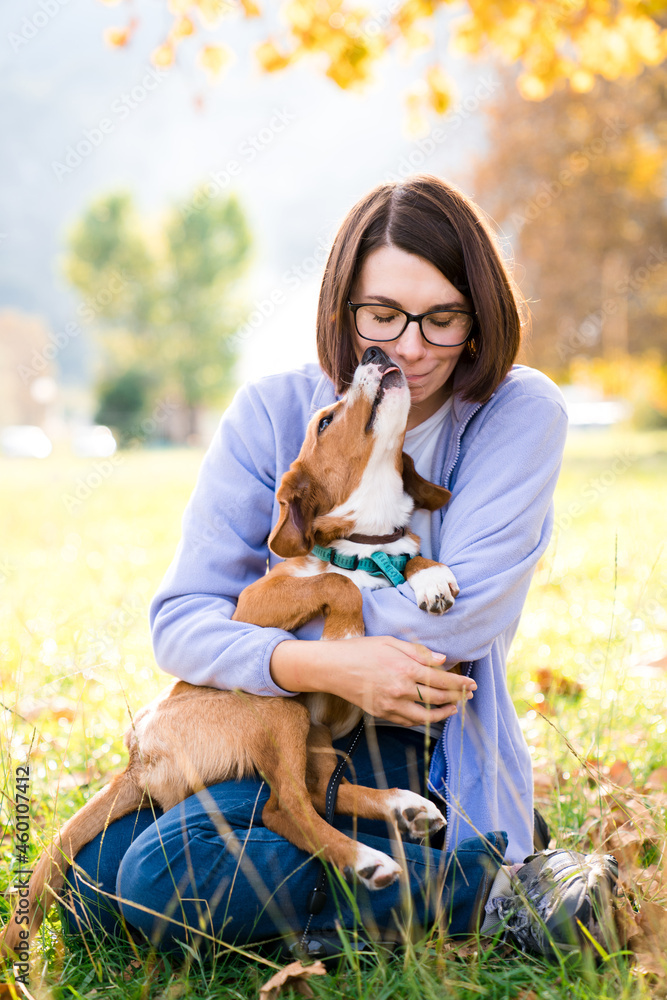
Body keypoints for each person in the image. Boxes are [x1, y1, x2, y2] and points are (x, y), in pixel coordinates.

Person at [63, 174, 618, 958]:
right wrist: (312, 662)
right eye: (383, 316)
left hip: (408, 728)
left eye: (443, 318)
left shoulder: (516, 413)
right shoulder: (274, 413)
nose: (412, 347)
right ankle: (429, 892)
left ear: (479, 314)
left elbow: (457, 618)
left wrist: (276, 633)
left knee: (160, 878)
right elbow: (182, 619)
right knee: (91, 889)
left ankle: (499, 893)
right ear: (342, 309)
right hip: (260, 711)